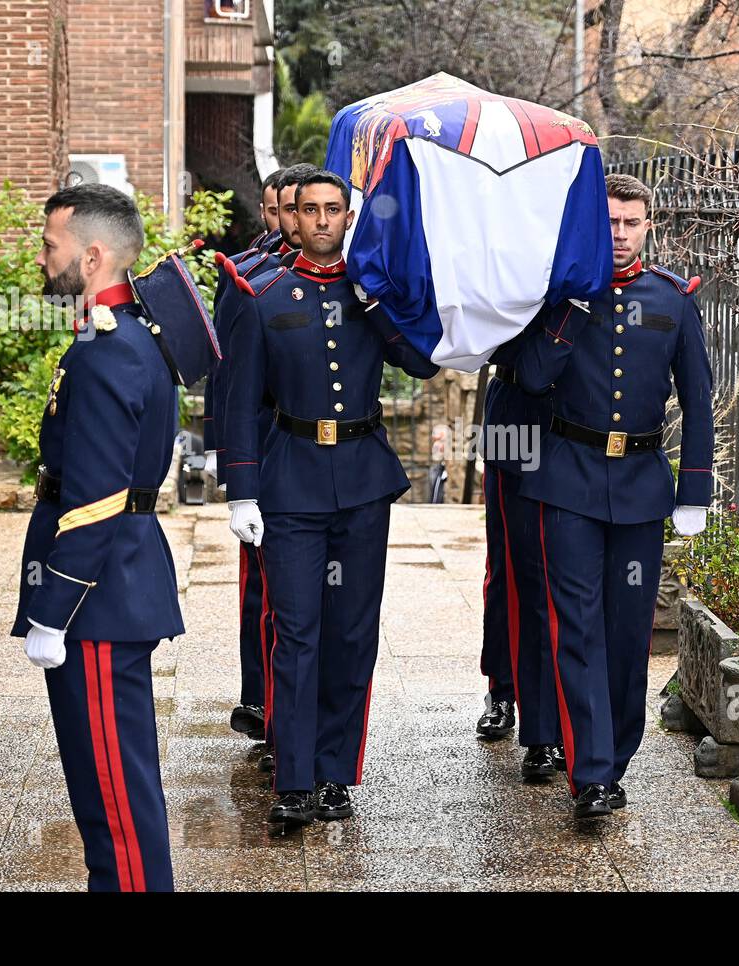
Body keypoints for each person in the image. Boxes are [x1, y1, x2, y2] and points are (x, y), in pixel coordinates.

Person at [221, 170, 439, 827]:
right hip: (290, 481)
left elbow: (423, 362)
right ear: (294, 214)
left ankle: (335, 772)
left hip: (363, 479)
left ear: (349, 217)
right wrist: (242, 488)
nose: (319, 220)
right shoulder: (263, 295)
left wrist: (376, 303)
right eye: (309, 208)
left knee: (350, 633)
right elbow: (239, 397)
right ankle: (292, 779)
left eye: (332, 209)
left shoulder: (374, 290)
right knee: (297, 632)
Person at [513, 172, 714, 819]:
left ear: (648, 226)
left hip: (640, 488)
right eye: (608, 223)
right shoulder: (563, 295)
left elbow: (700, 401)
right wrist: (571, 309)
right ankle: (591, 772)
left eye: (630, 222)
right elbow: (532, 376)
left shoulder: (673, 298)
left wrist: (695, 491)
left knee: (627, 634)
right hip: (568, 480)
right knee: (576, 627)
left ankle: (614, 756)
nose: (619, 234)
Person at [13, 183, 184, 890]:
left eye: (50, 247)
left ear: (91, 255)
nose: (41, 260)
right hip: (108, 594)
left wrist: (53, 609)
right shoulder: (110, 335)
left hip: (97, 602)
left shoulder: (108, 351)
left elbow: (95, 500)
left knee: (116, 797)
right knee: (103, 792)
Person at [204, 164, 317, 747]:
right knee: (264, 593)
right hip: (271, 451)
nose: (283, 223)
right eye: (276, 211)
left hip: (308, 455)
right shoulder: (251, 277)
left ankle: (282, 706)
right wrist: (227, 463)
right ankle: (262, 695)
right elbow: (229, 379)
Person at [475, 310, 569, 784]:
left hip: (575, 416)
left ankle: (556, 718)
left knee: (561, 579)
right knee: (512, 571)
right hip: (514, 418)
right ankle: (504, 687)